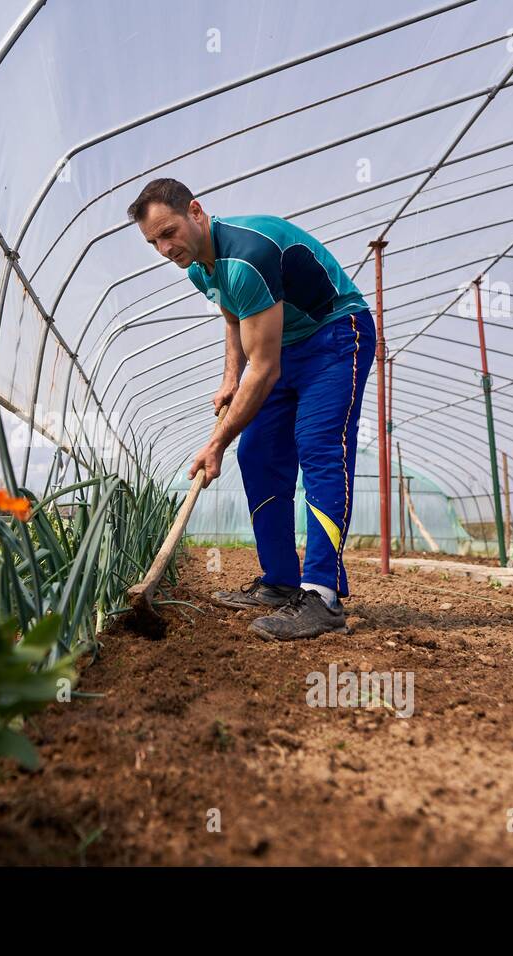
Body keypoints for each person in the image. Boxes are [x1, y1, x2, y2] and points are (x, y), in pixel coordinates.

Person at [127, 178, 375, 640]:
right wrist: (228, 378)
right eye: (153, 242)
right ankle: (280, 581)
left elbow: (264, 367)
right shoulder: (201, 268)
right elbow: (234, 317)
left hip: (335, 337)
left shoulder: (246, 255)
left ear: (196, 212)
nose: (164, 248)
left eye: (169, 232)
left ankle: (321, 596)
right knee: (257, 454)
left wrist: (216, 443)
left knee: (320, 449)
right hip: (283, 345)